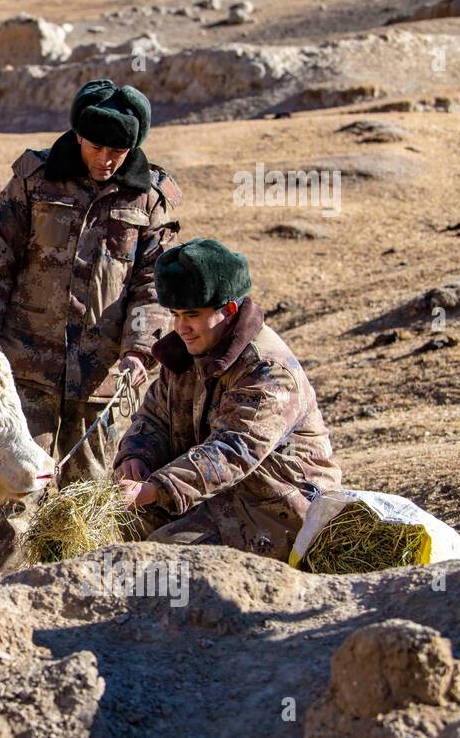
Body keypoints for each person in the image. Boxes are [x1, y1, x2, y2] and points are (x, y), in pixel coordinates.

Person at [0, 78, 182, 584]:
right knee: (19, 489)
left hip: (103, 381)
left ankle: (76, 598)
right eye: (96, 147)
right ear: (77, 135)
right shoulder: (34, 180)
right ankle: (1, 595)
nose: (106, 159)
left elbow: (155, 284)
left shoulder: (149, 198)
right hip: (25, 369)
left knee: (88, 501)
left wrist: (140, 350)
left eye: (118, 150)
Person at [113, 238, 342, 561]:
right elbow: (154, 418)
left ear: (229, 310)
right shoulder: (185, 353)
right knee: (117, 533)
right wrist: (135, 456)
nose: (181, 328)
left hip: (278, 508)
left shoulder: (268, 371)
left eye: (192, 315)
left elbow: (233, 451)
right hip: (208, 497)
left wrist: (156, 489)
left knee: (163, 556)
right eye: (175, 315)